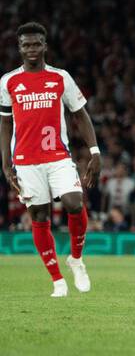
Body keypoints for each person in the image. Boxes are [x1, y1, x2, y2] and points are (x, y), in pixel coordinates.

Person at [0, 22, 100, 296]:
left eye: (36, 44)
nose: (31, 49)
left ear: (45, 45)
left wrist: (95, 152)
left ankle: (76, 259)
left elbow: (80, 114)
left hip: (57, 156)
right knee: (39, 216)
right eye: (26, 45)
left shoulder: (60, 78)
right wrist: (6, 163)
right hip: (25, 161)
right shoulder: (8, 81)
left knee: (74, 203)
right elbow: (5, 124)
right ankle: (57, 279)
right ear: (19, 48)